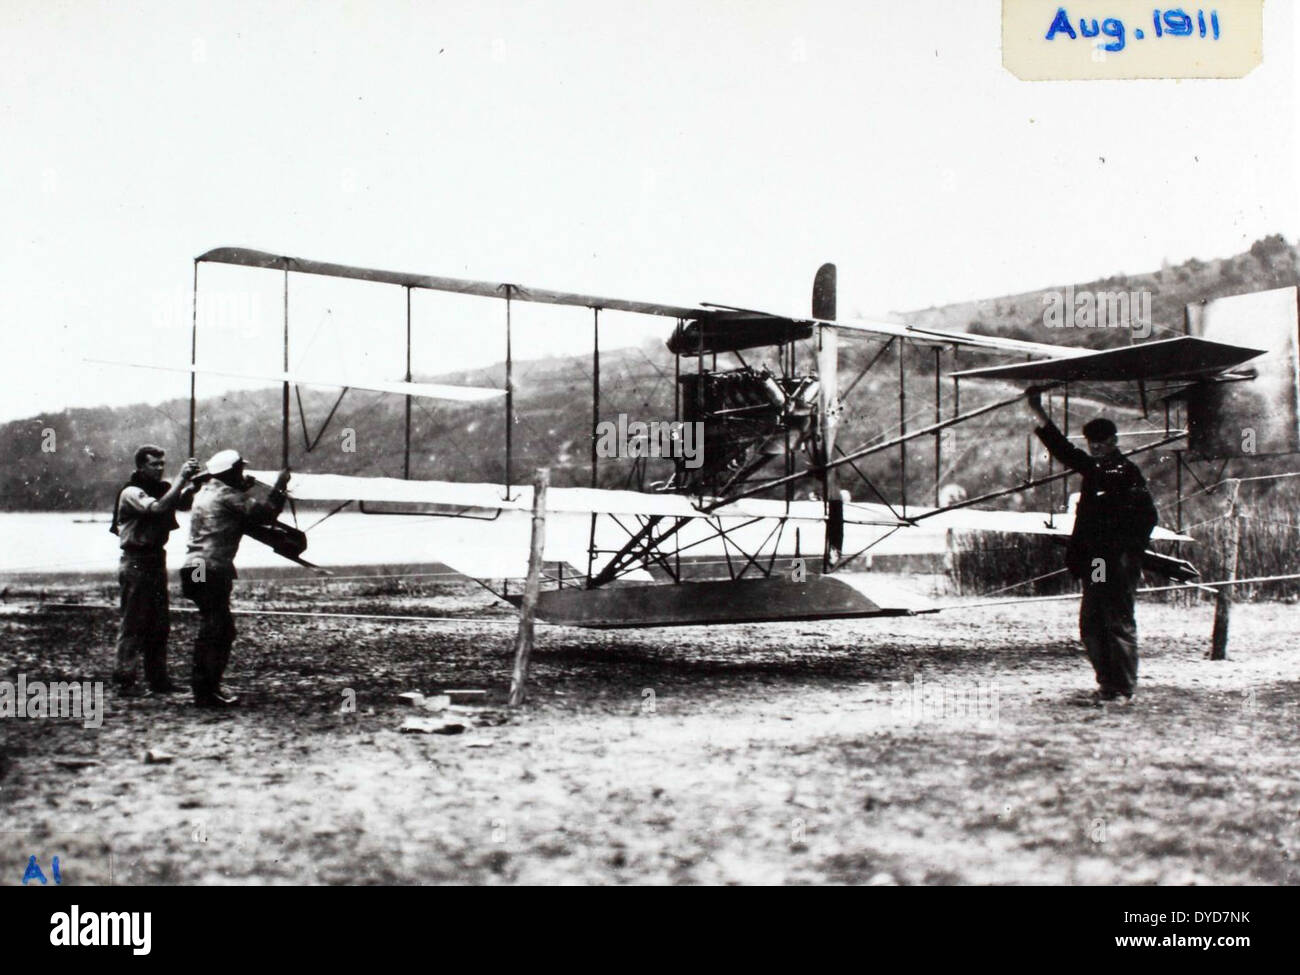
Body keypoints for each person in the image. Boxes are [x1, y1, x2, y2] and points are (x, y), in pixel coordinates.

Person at [1026, 388, 1158, 703]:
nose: (1096, 448)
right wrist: (1038, 412)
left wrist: (1127, 554)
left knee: (1117, 621)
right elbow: (1064, 449)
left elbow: (1148, 517)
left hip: (1117, 563)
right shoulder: (1096, 469)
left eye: (1101, 442)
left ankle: (1123, 688)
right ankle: (1108, 686)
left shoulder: (1126, 472)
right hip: (1097, 564)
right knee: (1093, 622)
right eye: (1092, 443)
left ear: (1114, 442)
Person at [180, 450, 290, 708]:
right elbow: (266, 513)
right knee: (217, 629)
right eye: (239, 470)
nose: (242, 474)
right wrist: (281, 485)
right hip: (211, 569)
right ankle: (206, 692)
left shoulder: (204, 492)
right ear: (231, 472)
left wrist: (242, 486)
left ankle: (205, 688)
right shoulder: (229, 496)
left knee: (214, 626)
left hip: (193, 567)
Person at [109, 445, 201, 697]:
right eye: (154, 464)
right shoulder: (131, 492)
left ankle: (158, 681)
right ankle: (124, 681)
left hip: (155, 559)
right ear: (140, 466)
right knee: (133, 623)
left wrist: (192, 486)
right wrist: (182, 479)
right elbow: (159, 508)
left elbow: (178, 503)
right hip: (136, 560)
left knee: (160, 624)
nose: (160, 468)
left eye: (162, 464)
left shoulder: (160, 490)